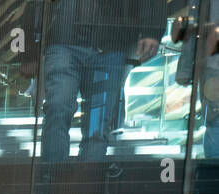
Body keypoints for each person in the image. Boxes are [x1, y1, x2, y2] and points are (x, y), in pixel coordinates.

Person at [40, 2, 160, 163]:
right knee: (60, 108)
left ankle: (76, 178)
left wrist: (152, 30)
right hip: (70, 38)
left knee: (94, 123)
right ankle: (55, 178)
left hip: (105, 41)